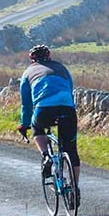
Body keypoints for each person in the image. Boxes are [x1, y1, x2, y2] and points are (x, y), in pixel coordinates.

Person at [17, 44, 80, 202]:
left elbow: (26, 105)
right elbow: (70, 90)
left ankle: (46, 156)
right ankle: (74, 188)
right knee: (71, 151)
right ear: (49, 57)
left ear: (32, 60)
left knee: (37, 128)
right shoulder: (63, 69)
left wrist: (24, 125)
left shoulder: (28, 73)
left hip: (44, 109)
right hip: (67, 109)